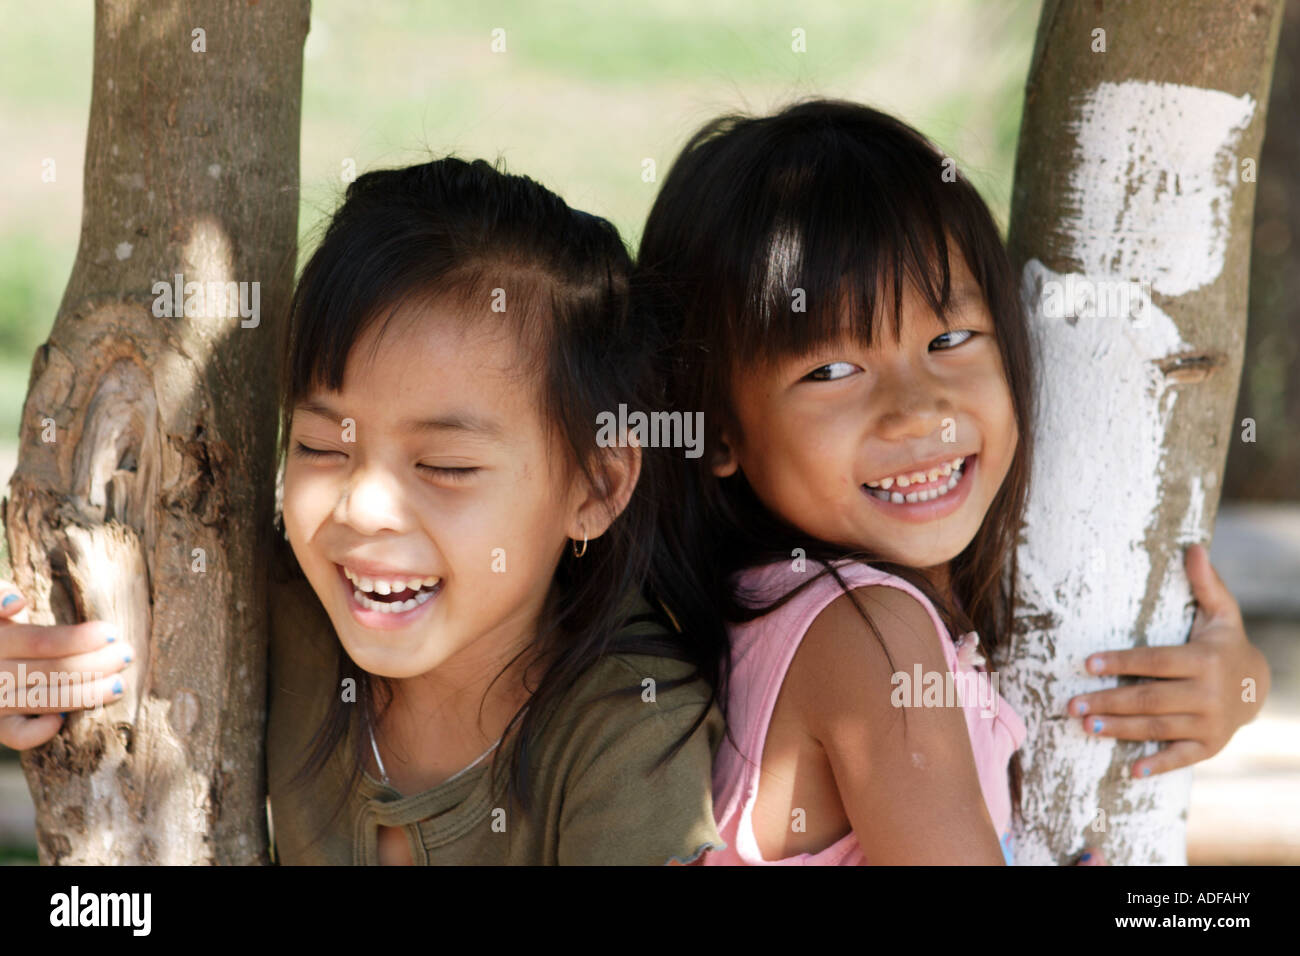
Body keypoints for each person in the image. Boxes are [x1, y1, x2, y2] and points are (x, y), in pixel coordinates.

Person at [1, 156, 724, 866]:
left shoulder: (631, 728)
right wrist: (25, 675)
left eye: (446, 466)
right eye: (321, 446)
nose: (367, 507)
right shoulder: (262, 615)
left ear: (595, 488)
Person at [634, 99, 1271, 864]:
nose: (916, 412)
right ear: (718, 427)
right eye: (832, 369)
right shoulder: (871, 633)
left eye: (951, 337)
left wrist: (1237, 685)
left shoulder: (787, 612)